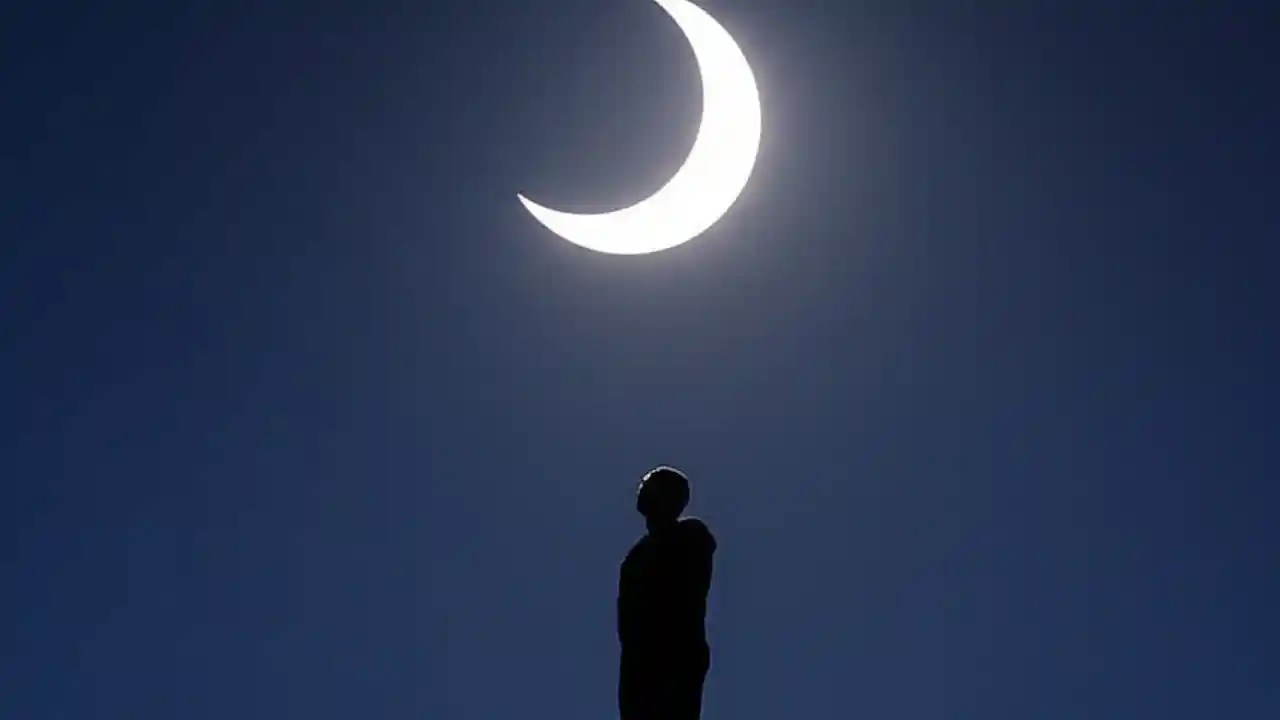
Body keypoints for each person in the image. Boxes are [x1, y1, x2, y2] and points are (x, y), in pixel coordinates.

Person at [617, 465, 717, 720]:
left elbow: (684, 593)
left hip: (673, 655)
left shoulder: (692, 535)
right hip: (639, 664)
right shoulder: (636, 556)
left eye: (652, 484)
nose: (644, 489)